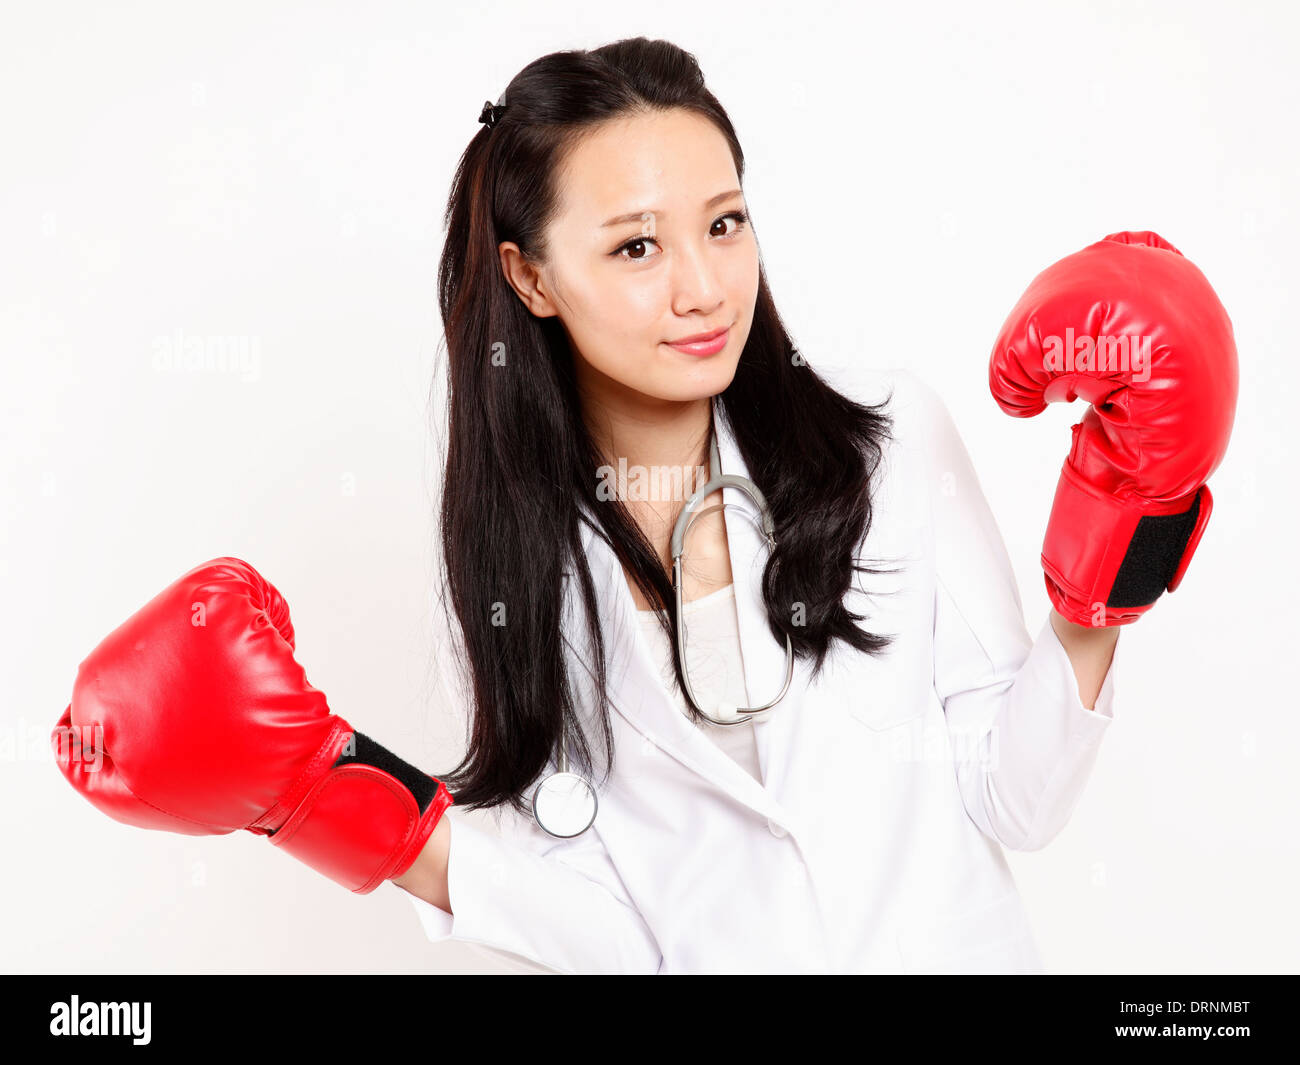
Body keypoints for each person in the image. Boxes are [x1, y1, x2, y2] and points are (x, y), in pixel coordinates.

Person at [50, 36, 1235, 975]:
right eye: (634, 248)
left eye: (723, 224)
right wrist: (326, 796)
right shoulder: (514, 561)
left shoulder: (886, 443)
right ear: (529, 275)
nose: (702, 287)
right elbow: (617, 935)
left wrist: (1120, 534)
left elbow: (1015, 800)